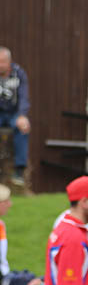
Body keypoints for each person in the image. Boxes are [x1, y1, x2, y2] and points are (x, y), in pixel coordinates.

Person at [0, 47, 31, 185]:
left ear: (9, 61)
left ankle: (19, 170)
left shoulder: (19, 73)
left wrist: (22, 116)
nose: (0, 65)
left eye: (3, 61)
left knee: (22, 128)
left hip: (14, 113)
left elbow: (24, 97)